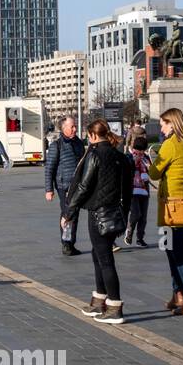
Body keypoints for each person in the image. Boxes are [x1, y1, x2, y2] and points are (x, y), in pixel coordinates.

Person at [61, 119, 132, 323]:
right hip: (115, 213)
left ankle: (115, 306)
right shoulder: (120, 156)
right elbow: (127, 190)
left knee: (105, 259)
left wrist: (69, 213)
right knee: (98, 254)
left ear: (92, 135)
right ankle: (100, 299)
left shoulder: (94, 154)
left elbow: (83, 186)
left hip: (99, 214)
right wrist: (125, 214)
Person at [148, 107, 183, 316]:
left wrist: (149, 161)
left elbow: (154, 173)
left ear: (172, 123)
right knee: (170, 249)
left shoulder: (171, 145)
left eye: (163, 124)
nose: (161, 128)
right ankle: (177, 293)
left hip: (171, 208)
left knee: (178, 254)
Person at [44, 116, 87, 256]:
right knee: (68, 214)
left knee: (74, 214)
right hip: (64, 185)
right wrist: (49, 189)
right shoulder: (56, 145)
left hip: (78, 186)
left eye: (75, 126)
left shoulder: (79, 143)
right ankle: (66, 244)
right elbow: (49, 168)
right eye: (72, 127)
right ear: (63, 128)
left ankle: (70, 243)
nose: (75, 129)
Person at [120, 135, 151, 249]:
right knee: (136, 213)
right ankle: (130, 230)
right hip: (132, 189)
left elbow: (151, 172)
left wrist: (149, 166)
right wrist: (134, 162)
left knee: (143, 216)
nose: (141, 152)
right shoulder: (128, 156)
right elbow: (125, 170)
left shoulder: (146, 158)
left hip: (144, 189)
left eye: (143, 150)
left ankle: (140, 238)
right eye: (139, 150)